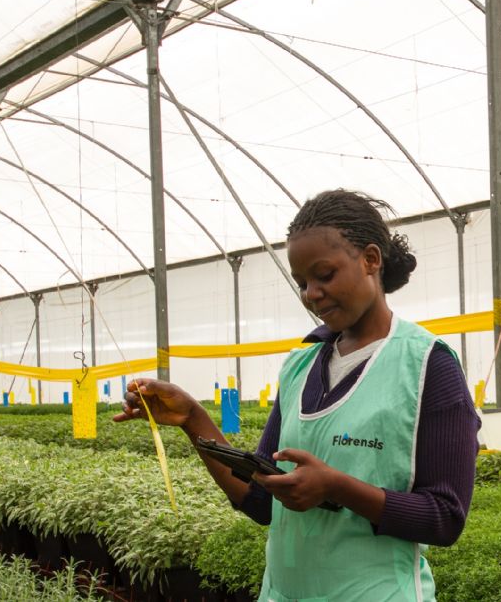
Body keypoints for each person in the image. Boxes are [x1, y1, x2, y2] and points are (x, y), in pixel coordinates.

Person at [113, 189, 480, 601]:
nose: (311, 294)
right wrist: (192, 418)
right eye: (302, 283)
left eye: (324, 276)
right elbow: (259, 501)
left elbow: (445, 518)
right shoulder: (300, 367)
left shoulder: (428, 364)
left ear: (371, 260)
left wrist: (336, 487)